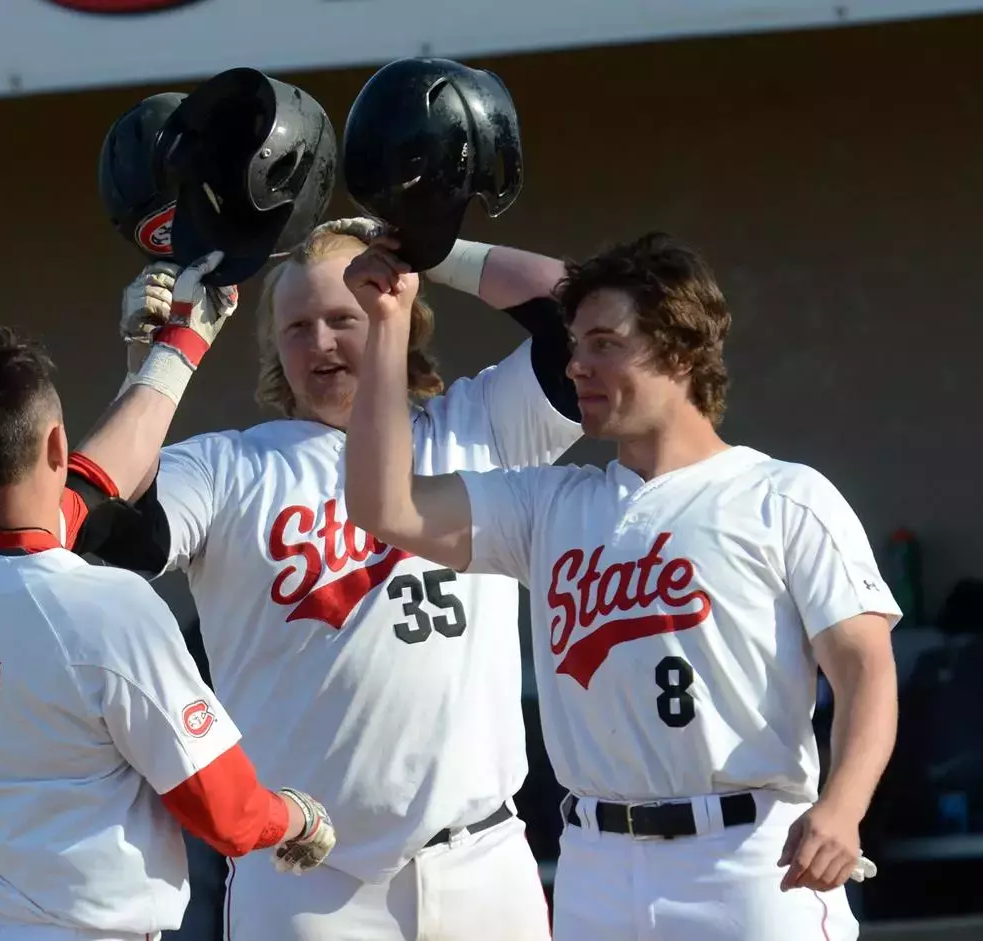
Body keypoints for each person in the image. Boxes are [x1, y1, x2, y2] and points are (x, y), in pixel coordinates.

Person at [342, 231, 900, 941]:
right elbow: (383, 506)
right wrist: (390, 323)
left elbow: (864, 666)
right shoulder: (550, 504)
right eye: (576, 342)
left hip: (751, 856)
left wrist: (844, 805)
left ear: (682, 351)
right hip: (594, 865)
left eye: (605, 342)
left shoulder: (782, 495)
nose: (577, 363)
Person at [61, 217, 583, 941]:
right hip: (307, 878)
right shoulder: (230, 468)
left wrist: (435, 248)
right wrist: (152, 362)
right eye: (297, 327)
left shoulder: (479, 425)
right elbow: (102, 525)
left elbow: (579, 311)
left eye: (345, 316)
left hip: (480, 862)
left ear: (394, 307)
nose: (321, 343)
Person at [0, 327, 335, 941]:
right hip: (76, 930)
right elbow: (228, 815)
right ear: (56, 440)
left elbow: (83, 490)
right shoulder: (108, 609)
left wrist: (176, 352)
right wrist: (299, 819)